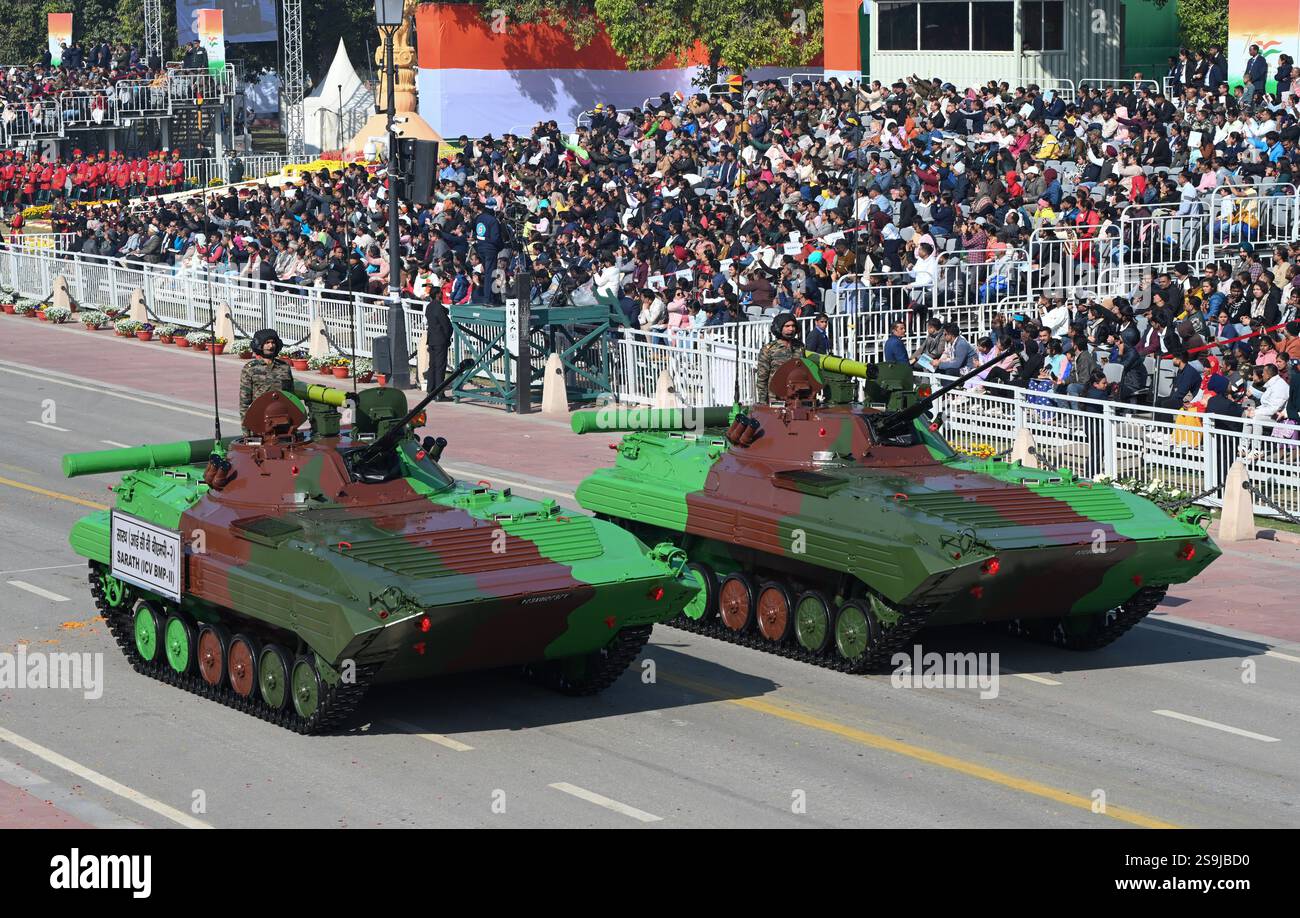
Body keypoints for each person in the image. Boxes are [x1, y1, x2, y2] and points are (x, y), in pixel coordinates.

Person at [239, 329, 294, 418]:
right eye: (267, 343)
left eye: (273, 342)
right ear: (259, 345)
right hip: (260, 418)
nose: (271, 346)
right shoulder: (250, 369)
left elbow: (291, 397)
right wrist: (247, 430)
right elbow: (244, 402)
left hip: (282, 416)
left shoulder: (284, 367)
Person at [754, 312, 802, 403]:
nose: (791, 329)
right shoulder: (769, 350)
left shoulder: (799, 346)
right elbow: (762, 379)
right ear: (779, 328)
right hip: (776, 398)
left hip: (796, 397)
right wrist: (763, 402)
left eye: (793, 326)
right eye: (787, 326)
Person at [425, 296, 453, 399]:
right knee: (440, 367)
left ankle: (430, 390)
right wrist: (447, 337)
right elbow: (446, 325)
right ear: (437, 295)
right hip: (440, 341)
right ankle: (439, 393)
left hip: (431, 340)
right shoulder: (438, 308)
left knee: (432, 365)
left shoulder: (429, 307)